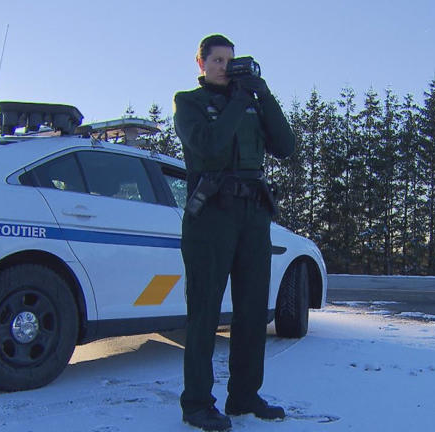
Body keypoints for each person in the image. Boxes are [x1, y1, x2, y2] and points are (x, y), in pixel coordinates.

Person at [173, 34, 295, 431]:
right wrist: (240, 102)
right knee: (205, 311)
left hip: (253, 215)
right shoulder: (188, 104)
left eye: (231, 60)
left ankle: (244, 395)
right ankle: (196, 403)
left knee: (252, 310)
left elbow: (286, 146)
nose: (226, 66)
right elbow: (208, 147)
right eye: (218, 60)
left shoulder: (251, 103)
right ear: (201, 63)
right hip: (211, 216)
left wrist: (264, 95)